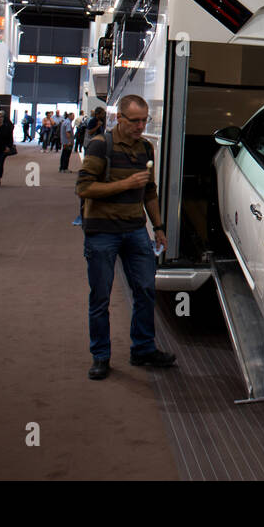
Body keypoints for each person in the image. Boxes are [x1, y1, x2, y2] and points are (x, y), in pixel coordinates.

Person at [75, 93, 175, 381]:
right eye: (135, 121)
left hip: (135, 231)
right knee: (101, 297)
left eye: (145, 120)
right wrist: (125, 183)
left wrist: (158, 227)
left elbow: (149, 192)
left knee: (145, 290)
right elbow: (84, 187)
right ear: (119, 118)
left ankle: (142, 349)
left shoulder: (146, 149)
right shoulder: (100, 145)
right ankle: (101, 356)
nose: (141, 126)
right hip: (102, 232)